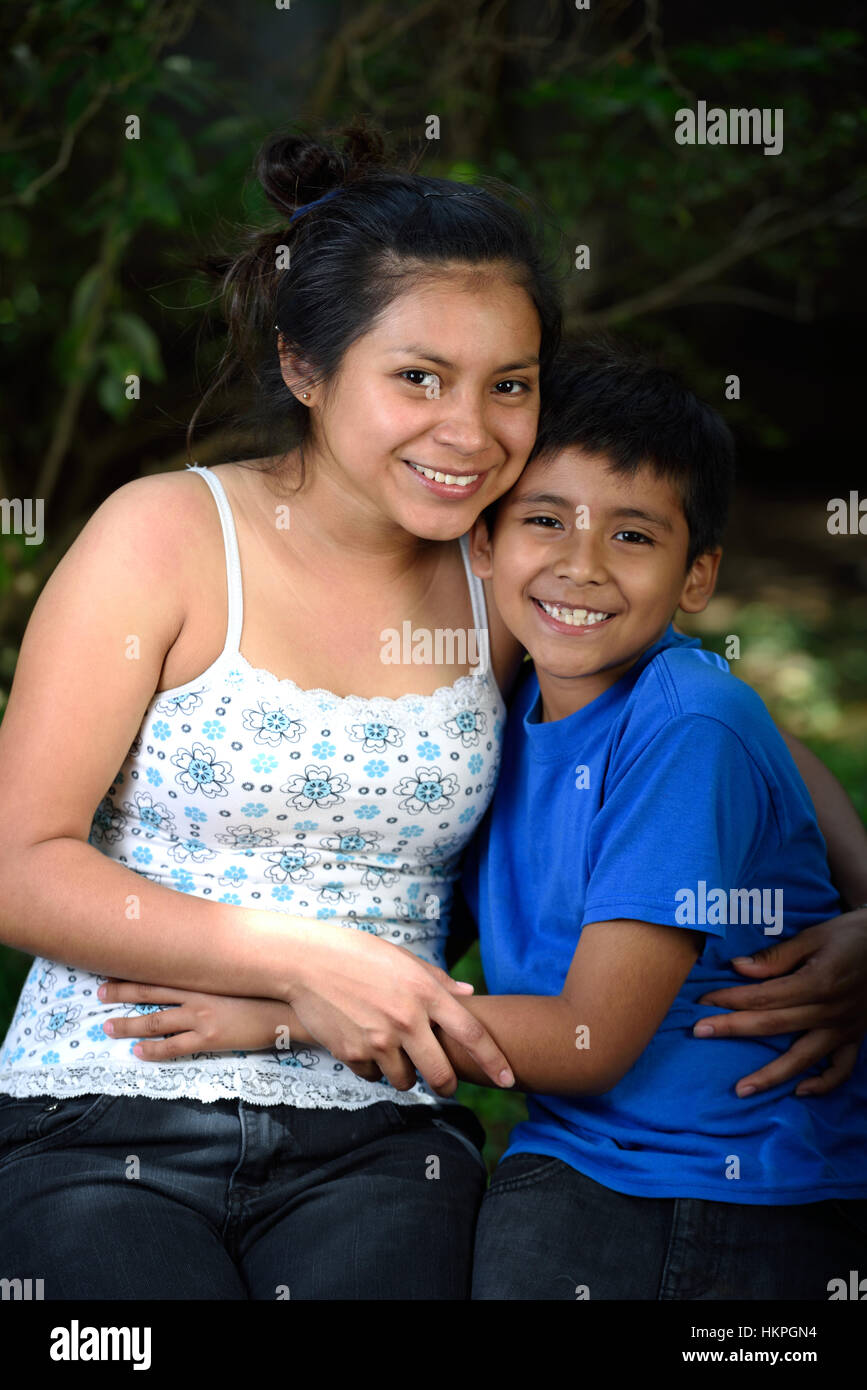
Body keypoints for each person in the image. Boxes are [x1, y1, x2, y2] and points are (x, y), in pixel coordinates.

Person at [0, 120, 864, 1299]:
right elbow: (18, 864)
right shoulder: (163, 537)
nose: (470, 432)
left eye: (509, 385)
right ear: (307, 367)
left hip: (382, 1124)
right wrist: (301, 962)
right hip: (110, 1097)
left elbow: (716, 724)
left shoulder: (503, 575)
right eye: (419, 377)